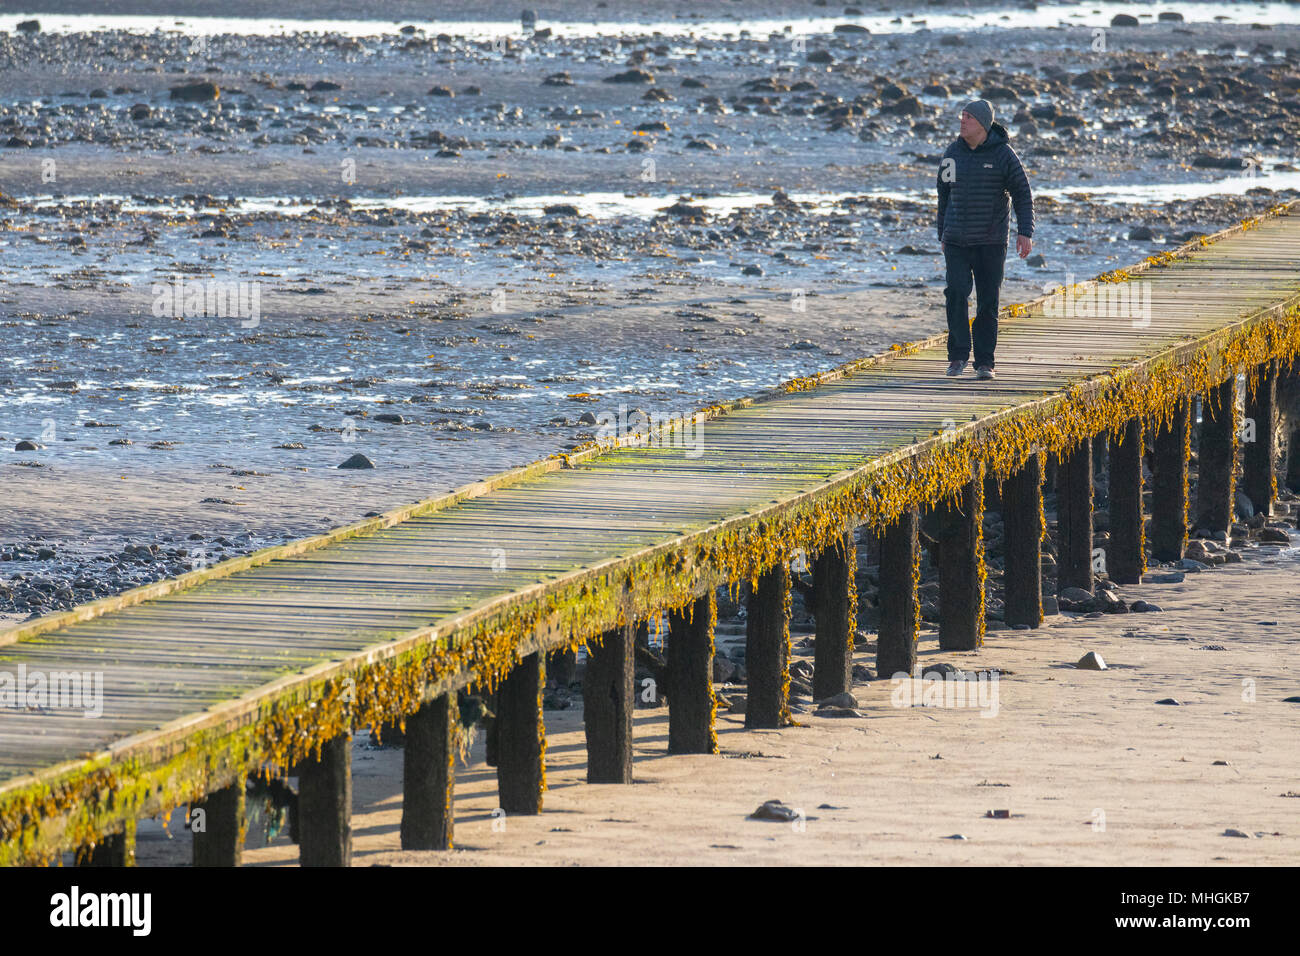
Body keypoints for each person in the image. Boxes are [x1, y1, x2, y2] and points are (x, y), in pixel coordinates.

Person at [935, 99, 1035, 380]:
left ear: (982, 124)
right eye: (961, 116)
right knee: (955, 292)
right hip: (956, 239)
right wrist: (941, 232)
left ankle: (984, 363)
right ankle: (957, 357)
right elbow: (943, 194)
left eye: (967, 117)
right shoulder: (952, 154)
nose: (961, 121)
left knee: (988, 301)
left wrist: (1025, 232)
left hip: (991, 241)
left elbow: (1022, 194)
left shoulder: (1004, 155)